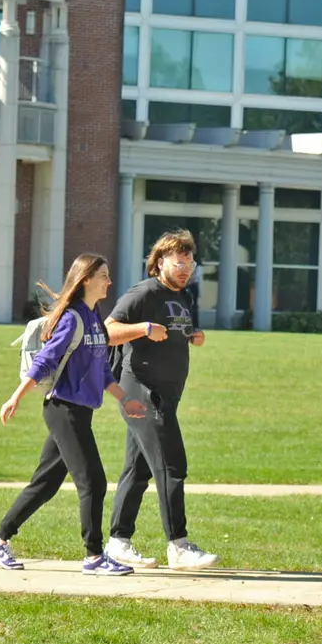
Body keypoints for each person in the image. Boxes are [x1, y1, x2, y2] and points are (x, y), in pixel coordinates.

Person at [0, 253, 135, 574]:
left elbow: (102, 370)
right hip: (64, 410)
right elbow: (46, 361)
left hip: (79, 412)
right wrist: (15, 397)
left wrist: (124, 399)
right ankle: (94, 556)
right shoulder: (73, 318)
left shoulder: (94, 316)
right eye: (103, 276)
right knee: (93, 482)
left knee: (45, 484)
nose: (109, 281)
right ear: (86, 280)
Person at [102, 229, 220, 569]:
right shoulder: (144, 292)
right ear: (159, 263)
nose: (185, 269)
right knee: (172, 464)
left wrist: (192, 337)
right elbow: (106, 331)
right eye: (178, 262)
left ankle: (117, 543)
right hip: (140, 390)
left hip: (167, 395)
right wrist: (141, 329)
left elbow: (175, 333)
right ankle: (179, 545)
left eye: (189, 263)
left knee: (137, 470)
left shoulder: (184, 297)